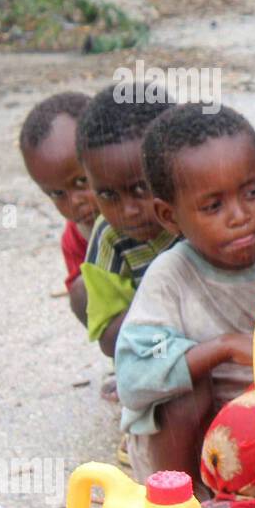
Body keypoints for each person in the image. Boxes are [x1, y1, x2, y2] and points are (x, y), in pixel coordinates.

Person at [115, 104, 255, 497]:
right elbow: (134, 378)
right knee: (182, 396)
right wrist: (224, 348)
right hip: (195, 443)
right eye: (213, 206)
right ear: (169, 216)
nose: (240, 215)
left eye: (251, 192)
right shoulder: (171, 277)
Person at [76, 82, 179, 357]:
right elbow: (111, 340)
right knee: (79, 291)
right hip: (162, 347)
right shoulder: (110, 237)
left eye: (141, 188)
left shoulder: (203, 207)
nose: (128, 210)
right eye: (108, 194)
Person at [19, 91, 99, 326]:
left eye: (81, 182)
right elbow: (86, 306)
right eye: (57, 194)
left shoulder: (152, 203)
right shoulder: (77, 239)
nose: (74, 202)